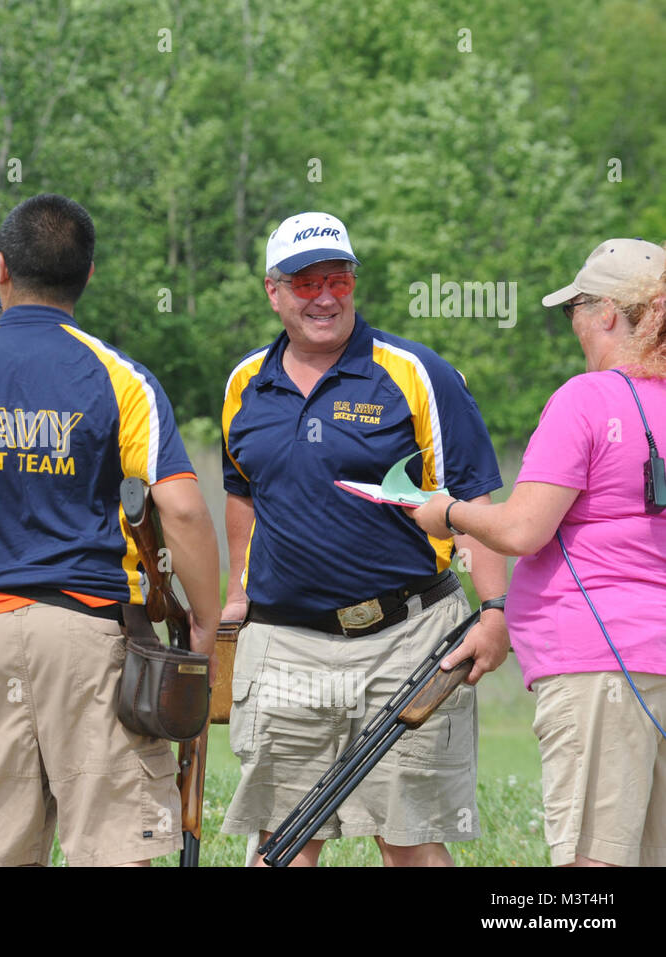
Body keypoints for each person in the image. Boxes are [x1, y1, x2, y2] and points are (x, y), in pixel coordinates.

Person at [0, 193, 222, 866]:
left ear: (1, 271)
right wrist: (204, 622)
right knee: (110, 846)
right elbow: (185, 509)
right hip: (88, 631)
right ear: (88, 276)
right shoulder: (119, 377)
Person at [219, 211, 510, 866]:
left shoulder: (416, 372)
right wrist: (238, 590)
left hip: (406, 635)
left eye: (338, 279)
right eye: (305, 283)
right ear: (273, 291)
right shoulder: (245, 383)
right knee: (284, 837)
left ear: (353, 281)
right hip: (286, 641)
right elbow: (241, 489)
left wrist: (493, 610)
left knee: (408, 837)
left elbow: (474, 498)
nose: (324, 297)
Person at [411, 238, 666, 867]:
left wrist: (446, 512)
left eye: (574, 309)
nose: (574, 324)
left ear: (607, 312)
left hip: (600, 665)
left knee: (592, 867)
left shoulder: (585, 398)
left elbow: (524, 530)